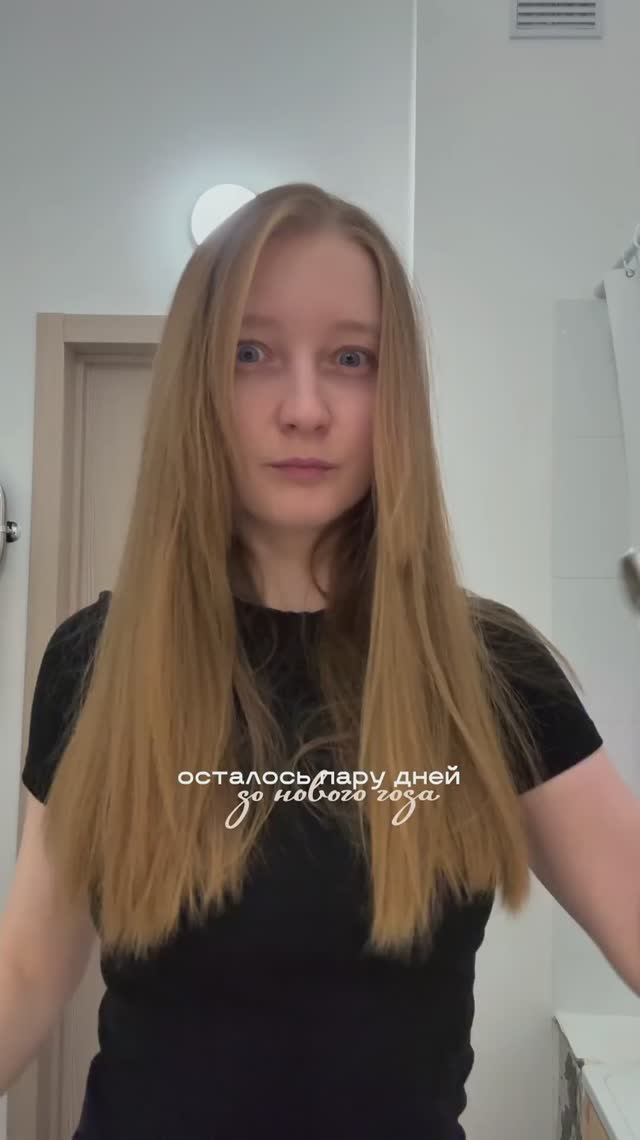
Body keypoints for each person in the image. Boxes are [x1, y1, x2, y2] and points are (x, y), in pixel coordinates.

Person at [1, 182, 636, 1140]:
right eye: (251, 353)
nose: (305, 408)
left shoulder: (489, 670)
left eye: (351, 358)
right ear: (196, 384)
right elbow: (24, 971)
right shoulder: (96, 662)